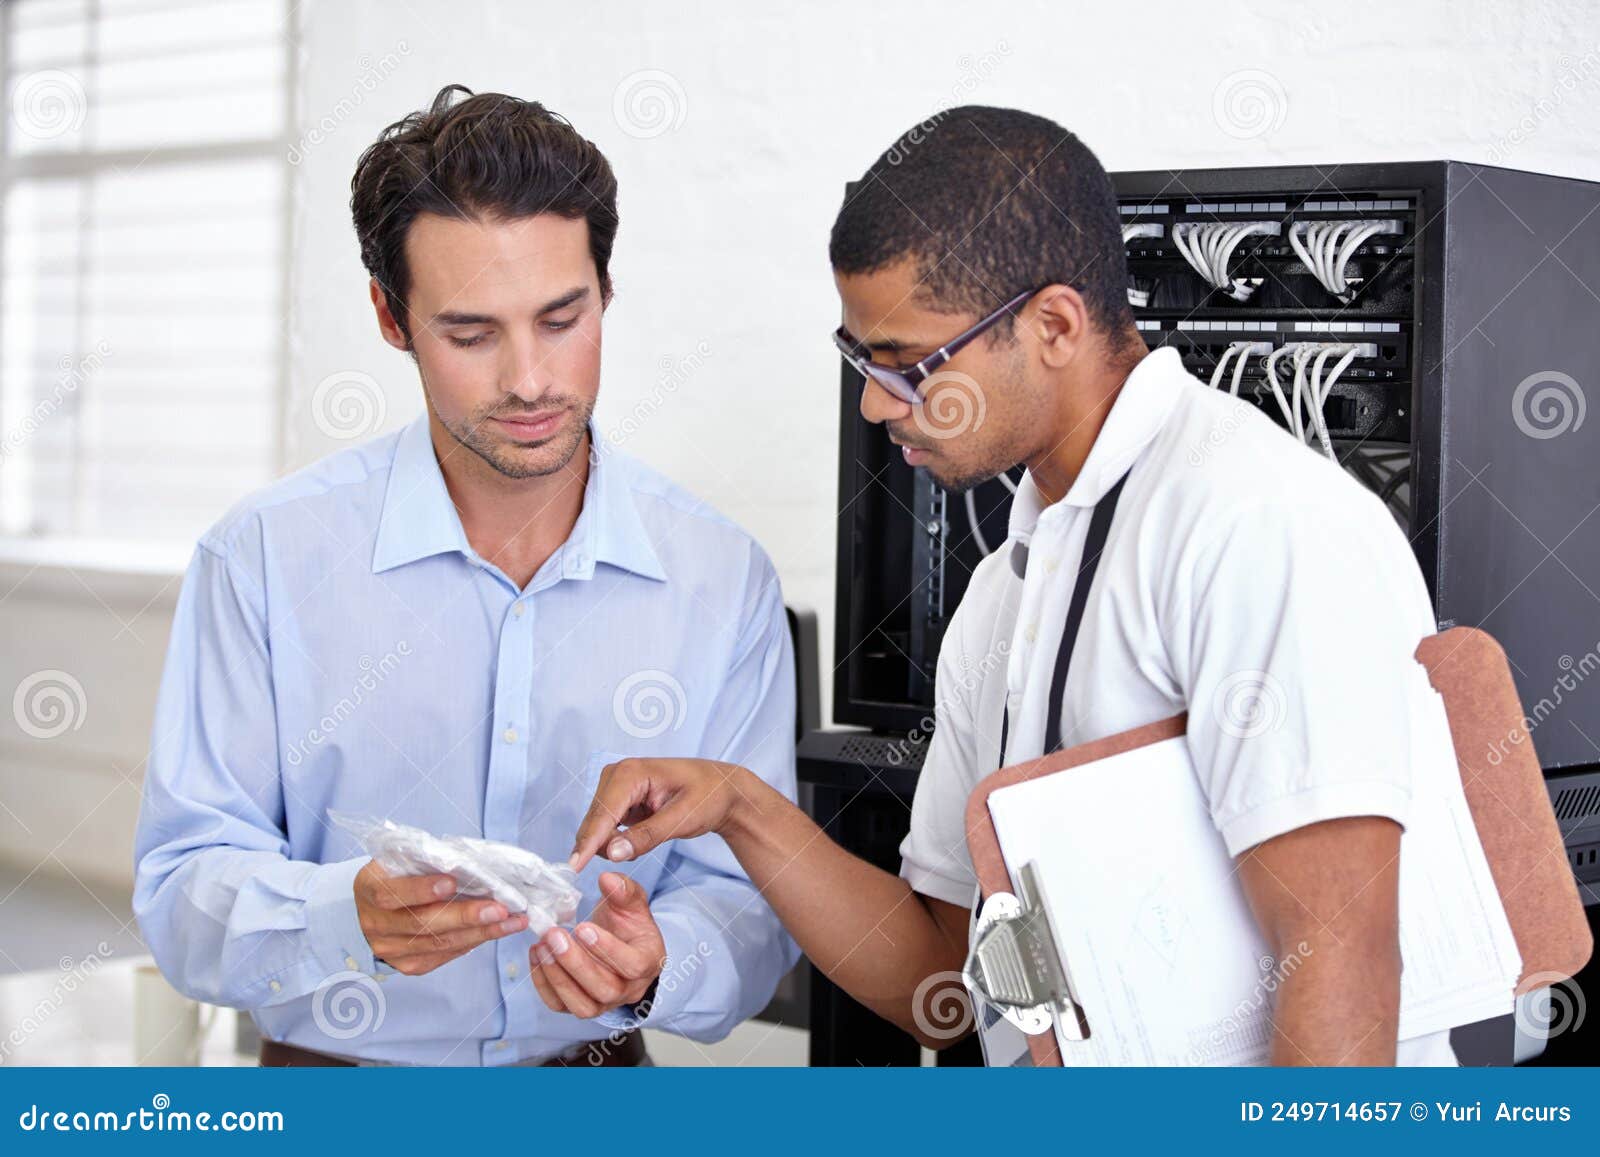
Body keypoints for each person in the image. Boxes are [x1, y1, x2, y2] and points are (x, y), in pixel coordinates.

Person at [569, 105, 1459, 1066]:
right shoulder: (1009, 585)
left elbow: (1342, 961)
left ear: (1053, 325)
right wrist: (742, 805)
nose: (876, 402)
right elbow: (945, 980)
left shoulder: (1255, 524)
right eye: (861, 359)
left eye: (909, 364)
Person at [133, 86, 798, 1067]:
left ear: (604, 292)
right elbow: (181, 888)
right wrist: (337, 914)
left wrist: (665, 959)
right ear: (391, 319)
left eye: (561, 317)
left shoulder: (720, 576)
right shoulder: (263, 558)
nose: (529, 378)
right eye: (471, 333)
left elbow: (748, 893)